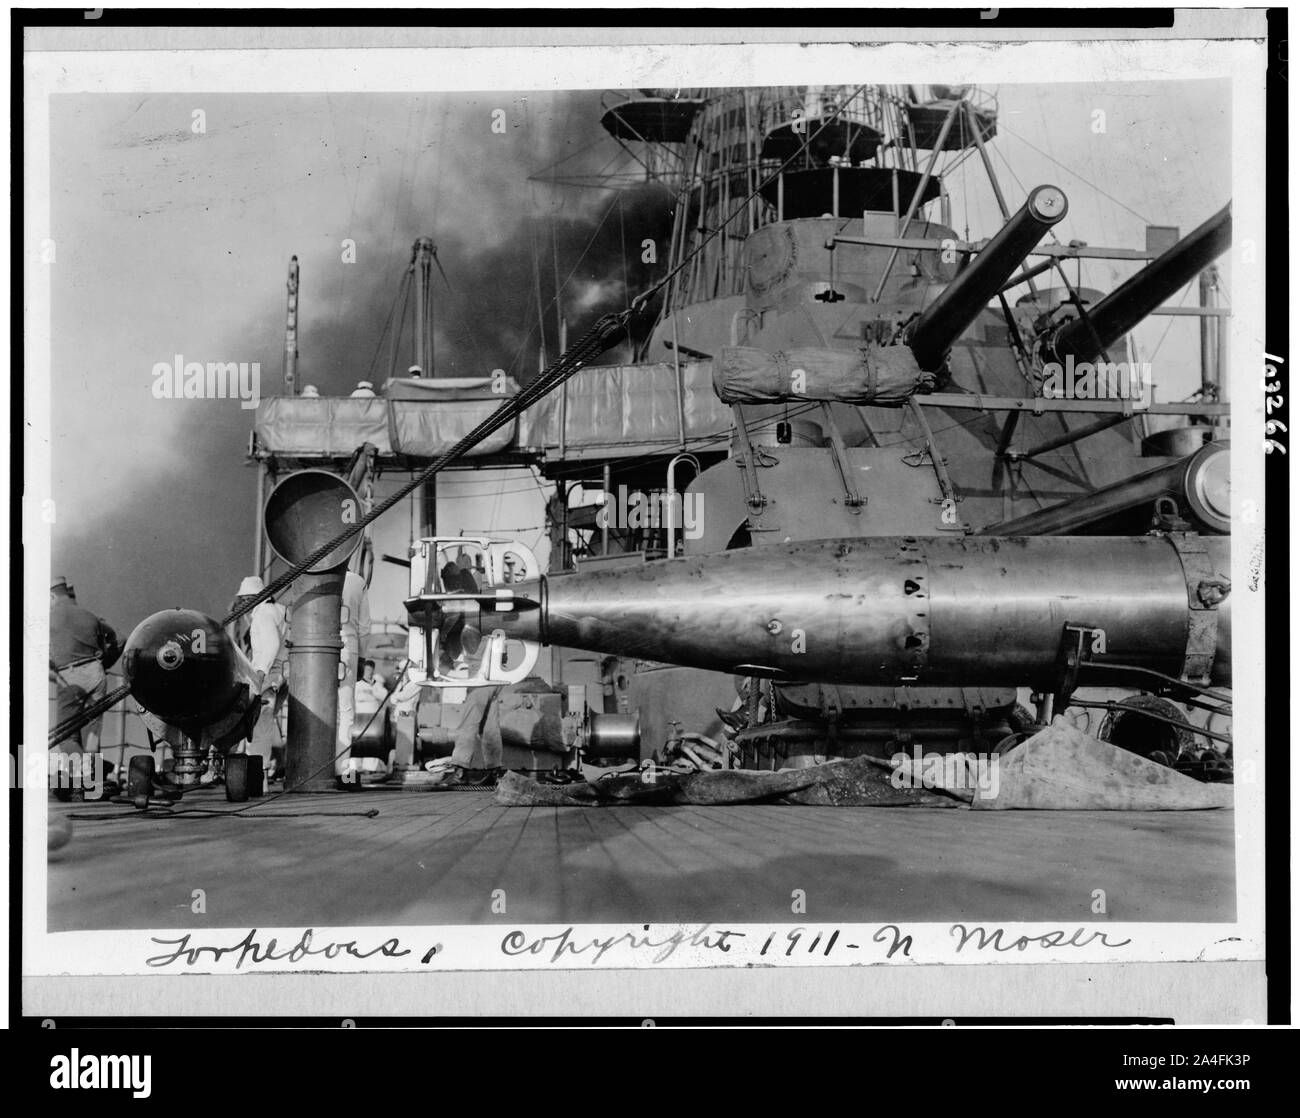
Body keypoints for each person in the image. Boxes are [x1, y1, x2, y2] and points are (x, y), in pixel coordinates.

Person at [50, 577, 122, 799]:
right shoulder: (90, 616)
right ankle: (93, 785)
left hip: (70, 676)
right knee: (91, 733)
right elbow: (120, 639)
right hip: (96, 673)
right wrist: (103, 663)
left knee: (65, 735)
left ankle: (88, 781)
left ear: (52, 596)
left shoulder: (48, 618)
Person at [225, 575, 288, 780]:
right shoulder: (280, 610)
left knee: (258, 724)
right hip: (283, 673)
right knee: (266, 723)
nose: (243, 604)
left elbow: (271, 645)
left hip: (268, 673)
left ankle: (256, 779)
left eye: (245, 600)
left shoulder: (262, 615)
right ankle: (263, 773)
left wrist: (260, 674)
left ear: (253, 598)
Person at [336, 570, 371, 770]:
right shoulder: (357, 582)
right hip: (347, 647)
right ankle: (341, 769)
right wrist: (362, 659)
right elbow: (365, 627)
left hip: (314, 649)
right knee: (345, 711)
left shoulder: (310, 575)